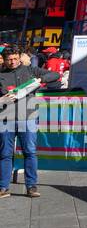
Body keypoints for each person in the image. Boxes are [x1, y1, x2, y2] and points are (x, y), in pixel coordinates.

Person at [0, 48, 62, 197]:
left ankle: (31, 186)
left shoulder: (31, 70)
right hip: (4, 119)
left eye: (15, 58)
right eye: (9, 59)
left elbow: (55, 75)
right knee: (5, 154)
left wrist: (40, 80)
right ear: (3, 59)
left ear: (20, 58)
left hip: (28, 118)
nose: (13, 62)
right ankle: (3, 187)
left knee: (30, 152)